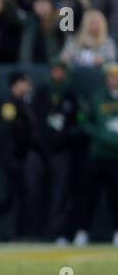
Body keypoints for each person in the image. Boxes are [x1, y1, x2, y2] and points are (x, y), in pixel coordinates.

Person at [0, 71, 46, 240]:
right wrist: (10, 160)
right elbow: (5, 133)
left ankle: (19, 232)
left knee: (18, 197)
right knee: (15, 198)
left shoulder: (22, 103)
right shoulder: (9, 105)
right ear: (16, 84)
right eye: (25, 82)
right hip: (12, 159)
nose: (28, 86)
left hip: (21, 158)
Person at [33, 58, 85, 245]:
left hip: (62, 151)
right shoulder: (42, 92)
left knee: (60, 193)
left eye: (61, 71)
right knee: (37, 189)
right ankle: (37, 230)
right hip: (40, 151)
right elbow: (34, 121)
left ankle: (58, 232)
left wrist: (67, 136)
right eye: (55, 70)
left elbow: (79, 121)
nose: (58, 74)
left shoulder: (70, 94)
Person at [74, 61, 118, 247]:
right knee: (89, 195)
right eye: (110, 76)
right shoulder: (97, 97)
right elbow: (83, 119)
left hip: (116, 157)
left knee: (116, 196)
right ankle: (82, 231)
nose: (113, 79)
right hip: (98, 154)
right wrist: (100, 134)